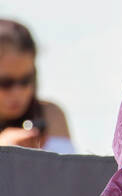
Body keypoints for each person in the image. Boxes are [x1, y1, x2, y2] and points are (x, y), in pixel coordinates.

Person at [0, 20, 74, 154]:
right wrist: (4, 151)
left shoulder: (50, 115)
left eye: (25, 80)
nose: (18, 93)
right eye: (6, 83)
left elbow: (70, 173)